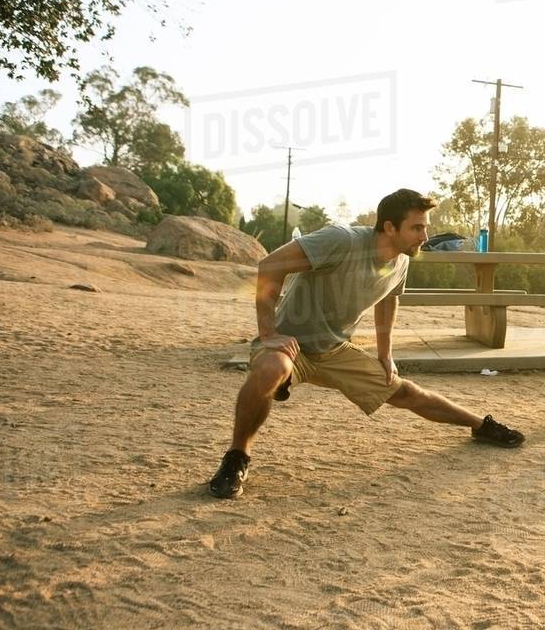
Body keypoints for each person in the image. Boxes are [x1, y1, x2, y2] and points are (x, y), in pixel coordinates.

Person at [208, 189, 525, 499]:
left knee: (404, 392)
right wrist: (268, 334)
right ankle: (237, 458)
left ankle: (480, 425)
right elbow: (271, 265)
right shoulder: (341, 241)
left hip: (334, 349)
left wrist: (385, 354)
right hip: (290, 344)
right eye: (417, 227)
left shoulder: (401, 259)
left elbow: (388, 299)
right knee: (272, 368)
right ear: (390, 227)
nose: (424, 236)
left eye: (425, 227)